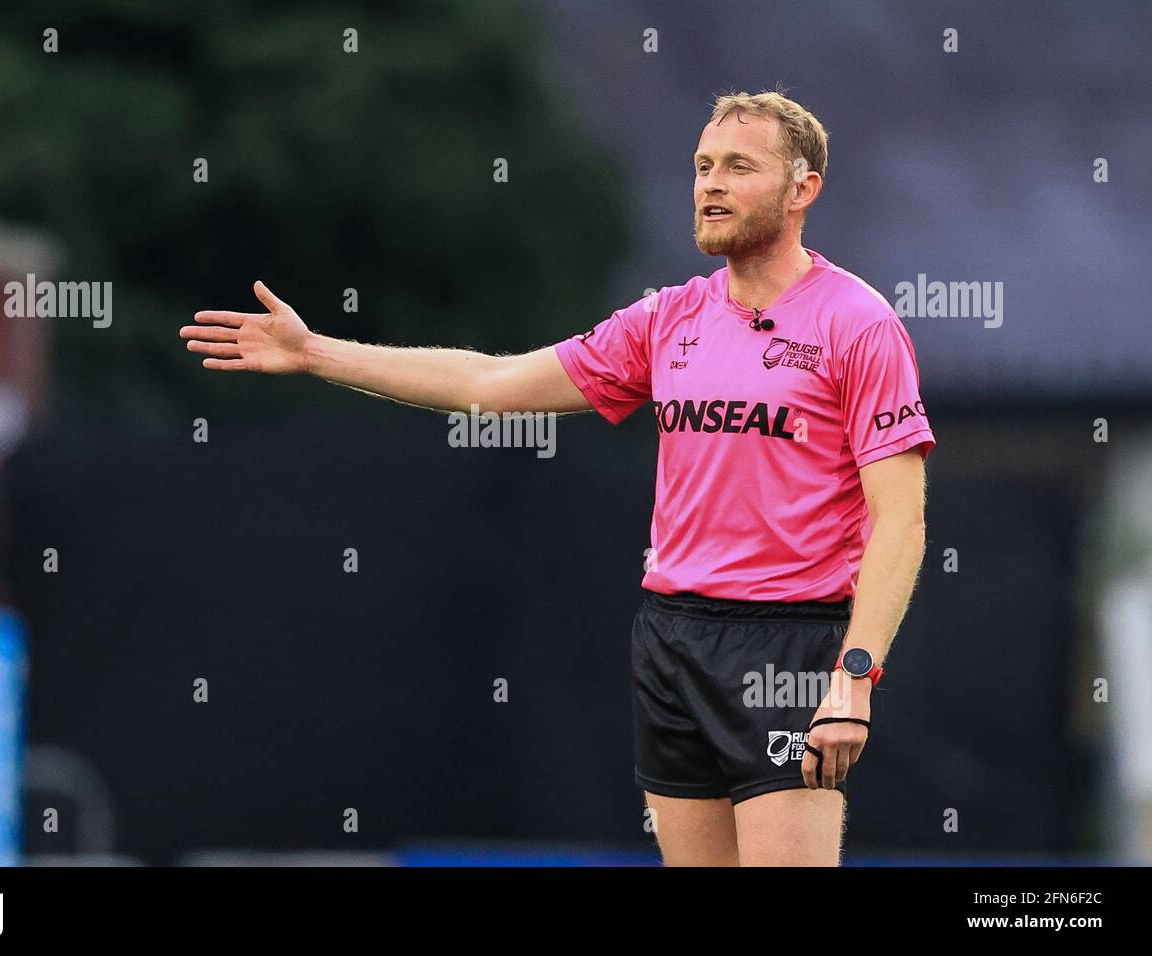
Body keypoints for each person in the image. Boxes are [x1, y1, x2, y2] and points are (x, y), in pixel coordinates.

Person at [179, 90, 935, 866]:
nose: (710, 184)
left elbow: (901, 524)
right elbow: (495, 386)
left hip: (788, 647)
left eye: (740, 167)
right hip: (672, 638)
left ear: (803, 188)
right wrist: (317, 353)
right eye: (703, 166)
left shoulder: (857, 323)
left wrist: (854, 677)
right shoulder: (668, 318)